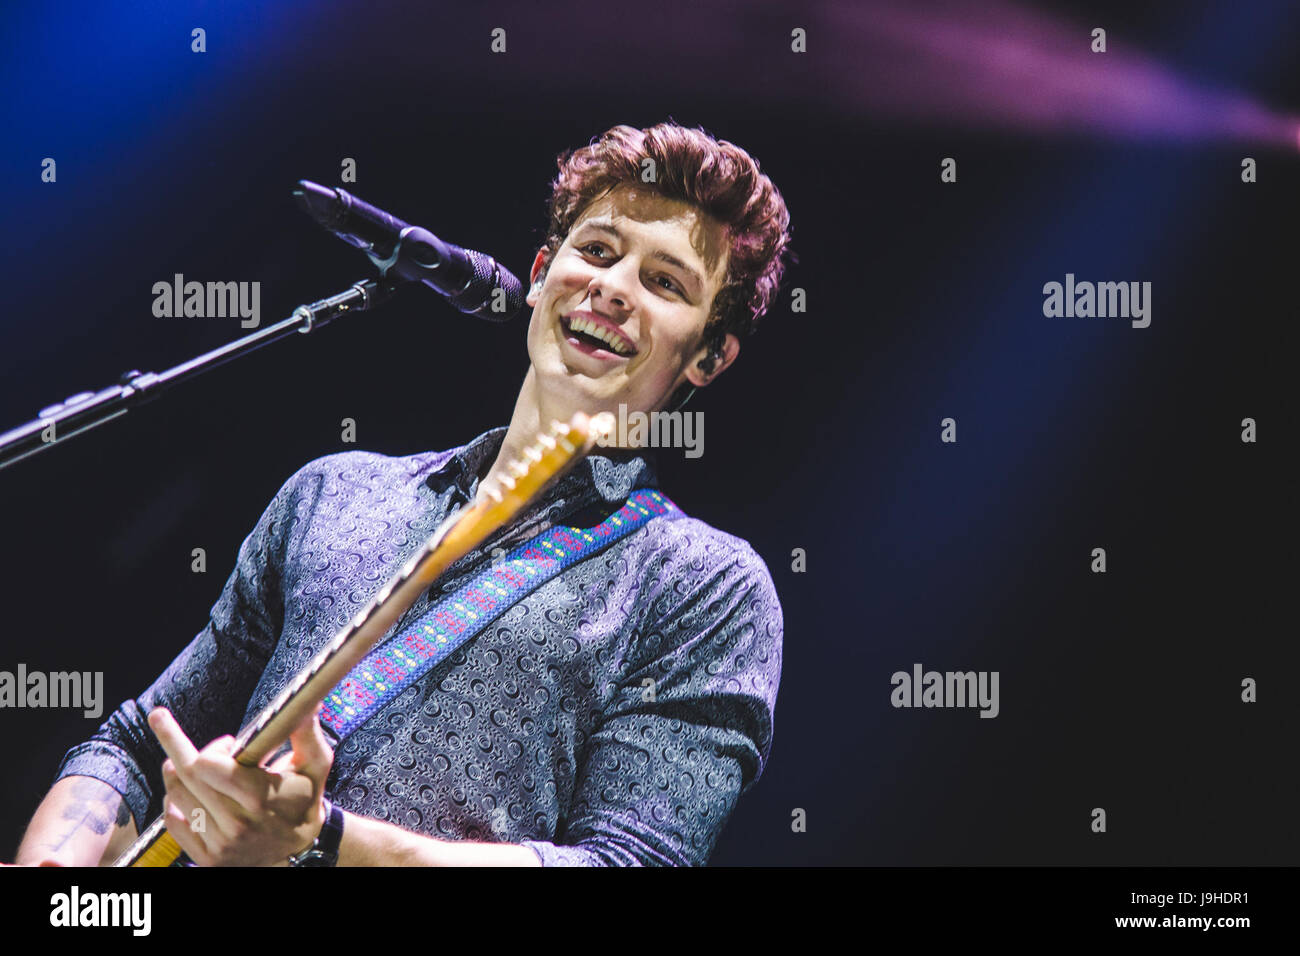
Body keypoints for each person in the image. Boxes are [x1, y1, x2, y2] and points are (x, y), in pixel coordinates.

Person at [15, 120, 792, 867]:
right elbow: (134, 747)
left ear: (711, 357)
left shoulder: (705, 586)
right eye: (596, 251)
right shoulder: (334, 493)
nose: (612, 289)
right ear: (539, 275)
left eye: (662, 282)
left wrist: (319, 840)